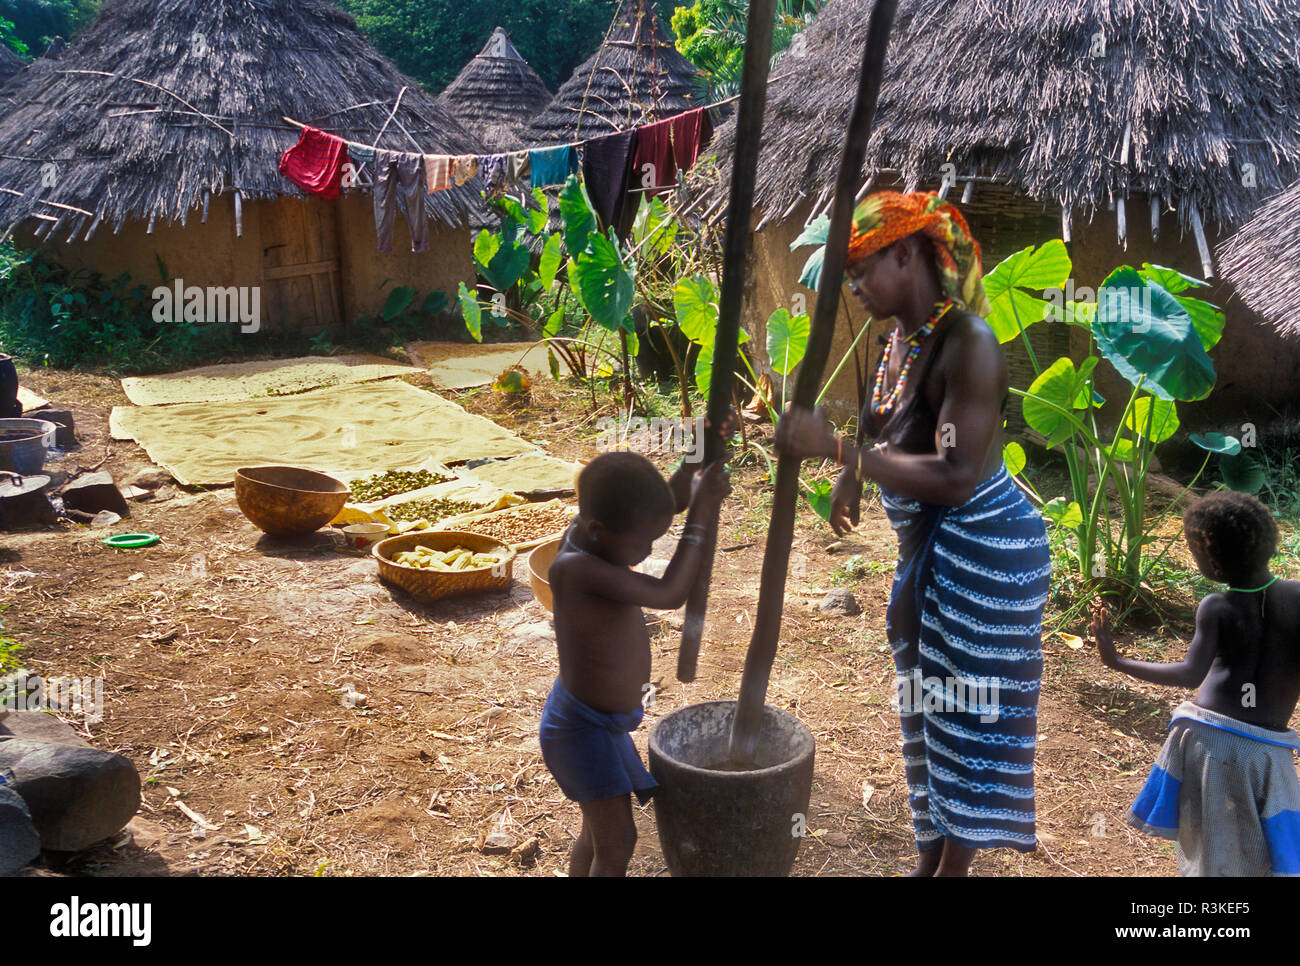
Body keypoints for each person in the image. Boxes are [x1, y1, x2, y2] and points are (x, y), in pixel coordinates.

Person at [774, 190, 1051, 876]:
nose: (855, 286)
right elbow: (889, 425)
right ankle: (930, 859)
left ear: (905, 253)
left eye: (862, 268)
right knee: (927, 716)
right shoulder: (899, 339)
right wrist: (856, 475)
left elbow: (957, 476)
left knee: (964, 721)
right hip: (929, 562)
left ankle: (949, 870)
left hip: (985, 561)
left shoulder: (970, 345)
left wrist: (839, 453)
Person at [541, 451, 731, 876]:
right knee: (616, 841)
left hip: (595, 725)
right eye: (643, 543)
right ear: (598, 530)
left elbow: (663, 505)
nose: (647, 551)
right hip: (581, 731)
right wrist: (700, 516)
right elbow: (669, 594)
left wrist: (692, 464)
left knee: (596, 836)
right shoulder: (576, 568)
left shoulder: (596, 537)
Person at [1090, 492, 1300, 876]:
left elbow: (1189, 674)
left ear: (1211, 558)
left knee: (1210, 846)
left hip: (1206, 739)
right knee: (1270, 850)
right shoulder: (1298, 597)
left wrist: (1117, 661)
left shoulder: (1217, 607)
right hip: (1266, 752)